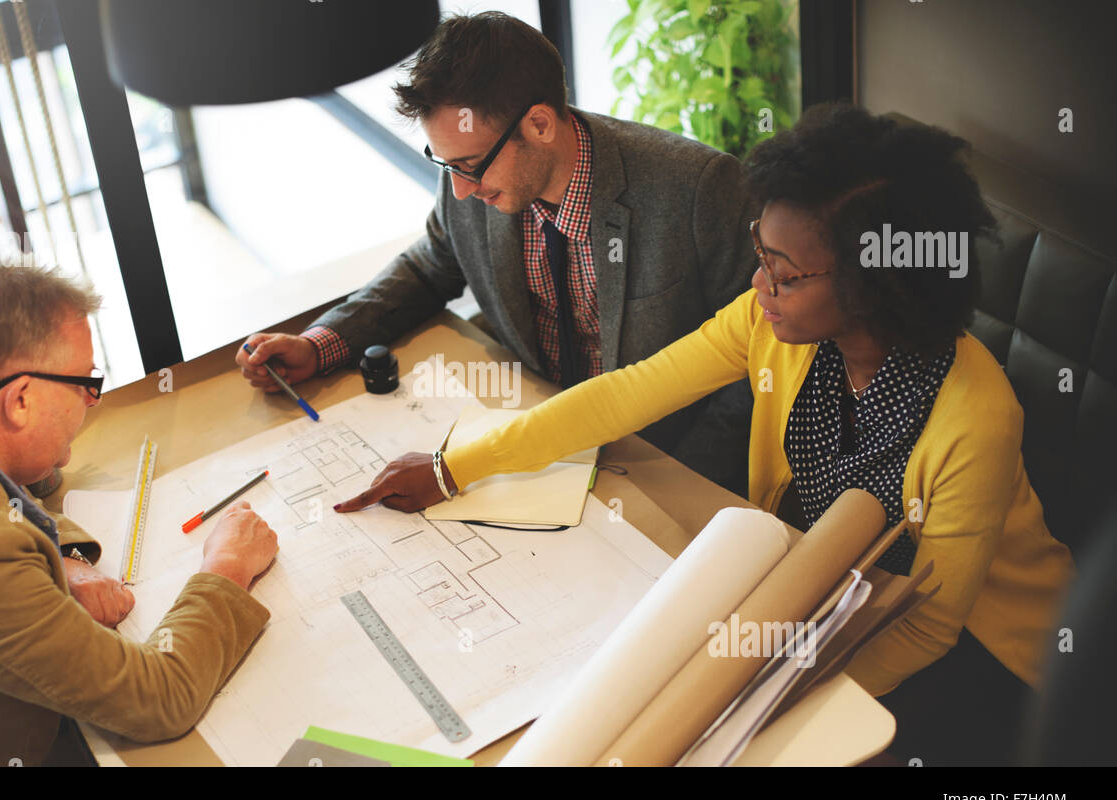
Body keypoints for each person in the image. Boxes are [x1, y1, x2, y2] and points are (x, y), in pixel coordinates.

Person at [334, 104, 1074, 763]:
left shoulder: (974, 414)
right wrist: (458, 463)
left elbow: (929, 628)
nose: (760, 286)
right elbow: (628, 393)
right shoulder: (772, 327)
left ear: (874, 285)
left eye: (784, 274)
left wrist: (761, 695)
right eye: (761, 255)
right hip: (820, 588)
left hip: (974, 653)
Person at [234, 11, 758, 496]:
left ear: (539, 125)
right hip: (525, 423)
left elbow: (756, 359)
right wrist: (321, 344)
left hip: (652, 456)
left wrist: (682, 483)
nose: (461, 191)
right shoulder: (469, 178)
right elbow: (431, 264)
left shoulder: (694, 189)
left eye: (469, 166)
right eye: (446, 166)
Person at [0, 265, 279, 765]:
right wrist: (228, 565)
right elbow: (160, 699)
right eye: (84, 382)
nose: (91, 399)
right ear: (20, 401)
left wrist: (58, 553)